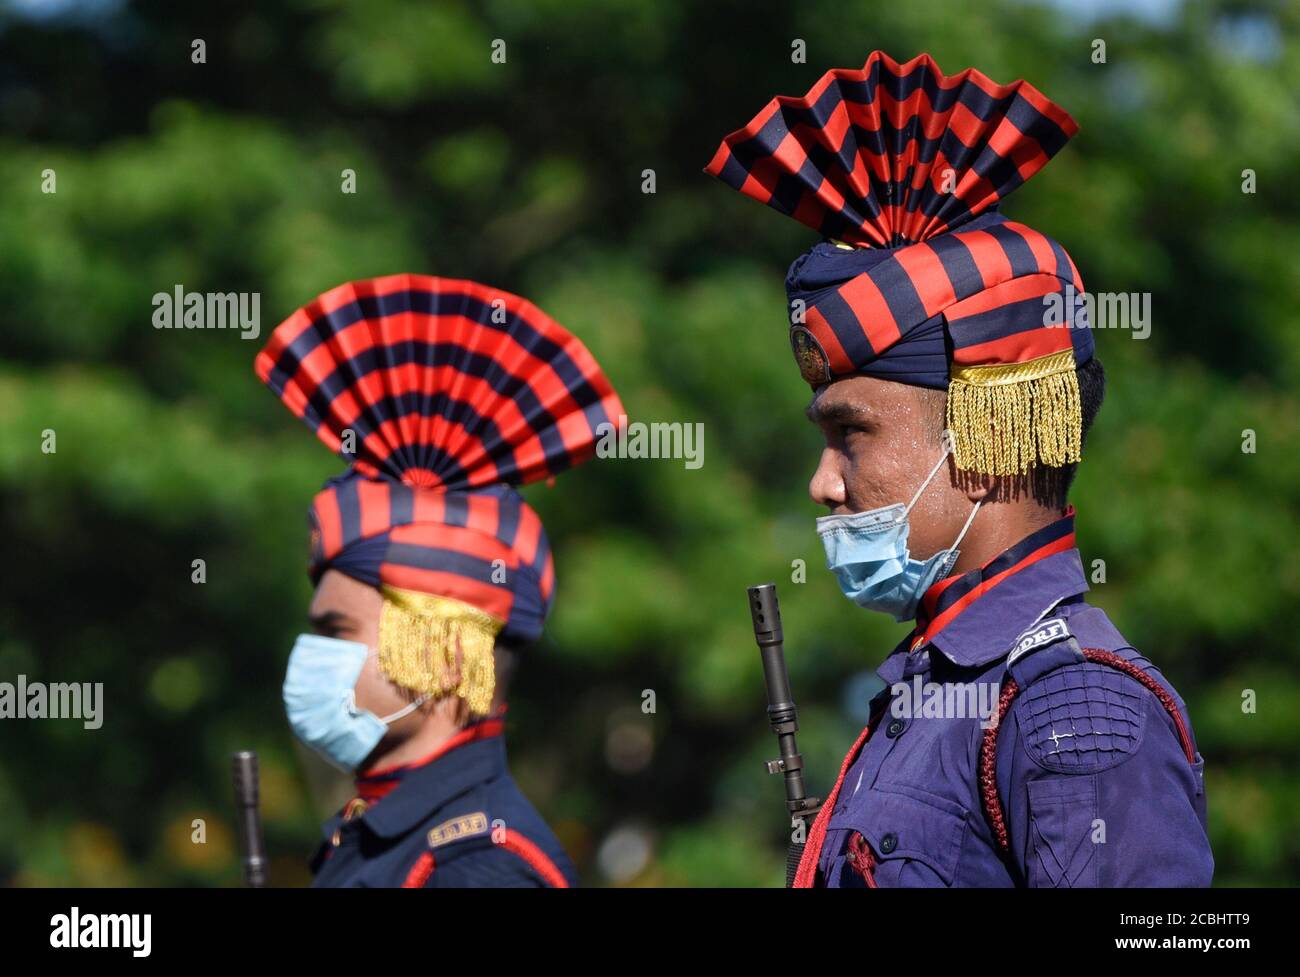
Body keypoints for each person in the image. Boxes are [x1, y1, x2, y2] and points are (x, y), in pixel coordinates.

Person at [707, 51, 1213, 887]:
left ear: (984, 437)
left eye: (851, 434)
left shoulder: (1074, 708)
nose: (823, 482)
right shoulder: (932, 690)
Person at [255, 273, 623, 887]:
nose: (308, 656)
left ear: (447, 651)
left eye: (337, 630)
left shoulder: (477, 869)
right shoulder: (375, 836)